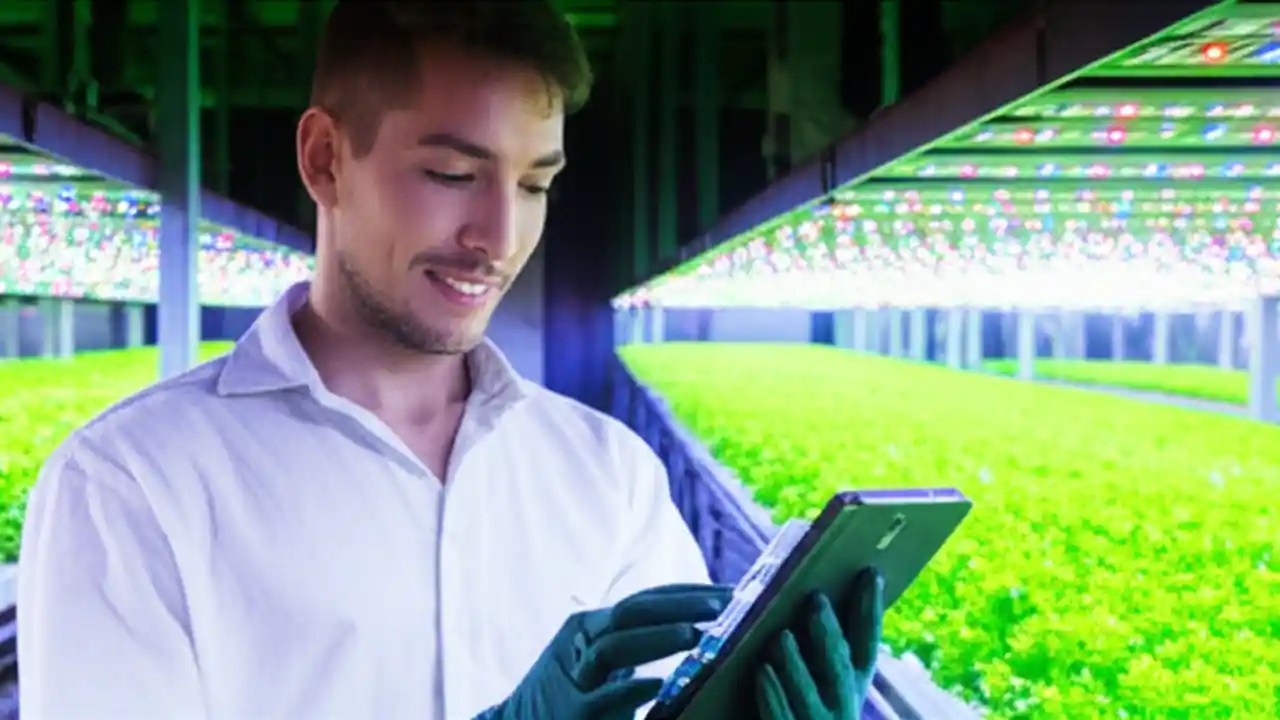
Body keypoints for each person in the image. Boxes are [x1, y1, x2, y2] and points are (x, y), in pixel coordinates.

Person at [17, 1, 884, 718]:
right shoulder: (132, 483)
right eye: (449, 174)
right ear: (325, 159)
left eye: (536, 184)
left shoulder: (606, 476)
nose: (499, 239)